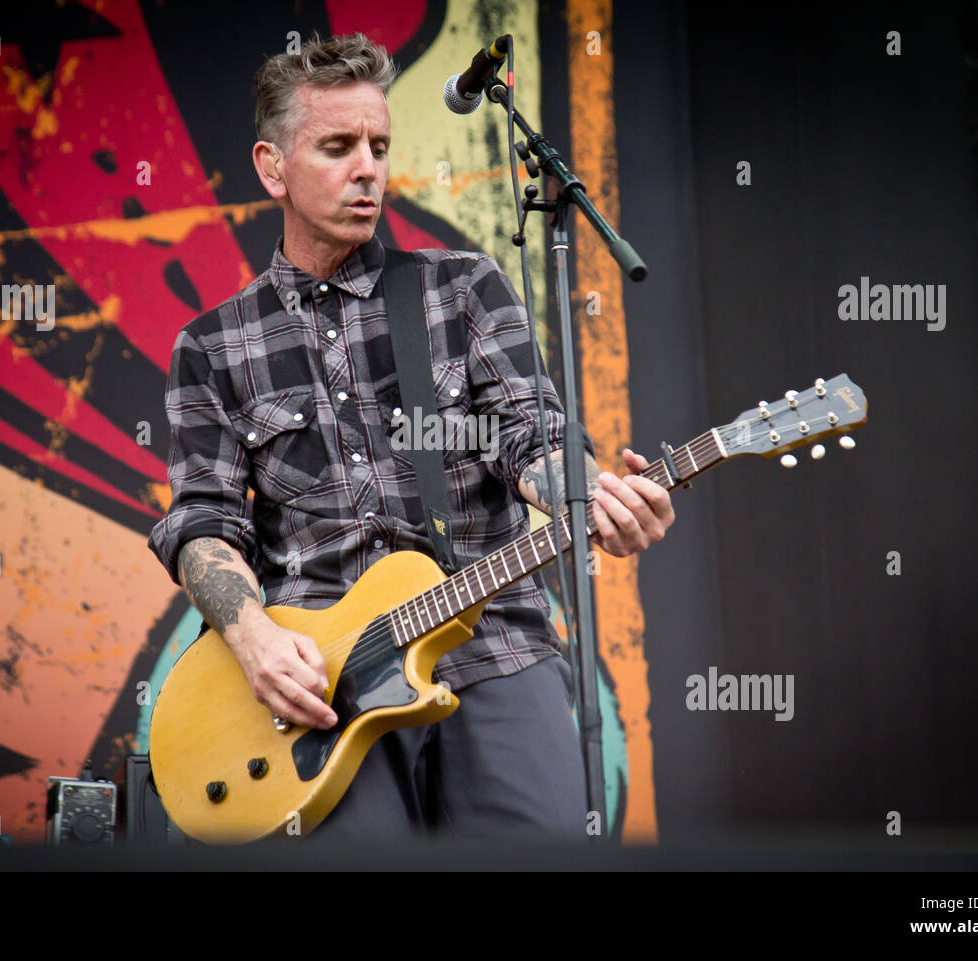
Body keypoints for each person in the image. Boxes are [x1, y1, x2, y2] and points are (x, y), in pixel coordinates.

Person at [147, 32, 674, 841]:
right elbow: (203, 523)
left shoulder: (462, 289)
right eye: (338, 146)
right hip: (322, 686)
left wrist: (587, 488)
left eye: (379, 146)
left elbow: (531, 432)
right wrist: (253, 638)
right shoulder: (213, 346)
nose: (368, 167)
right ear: (271, 168)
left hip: (491, 645)